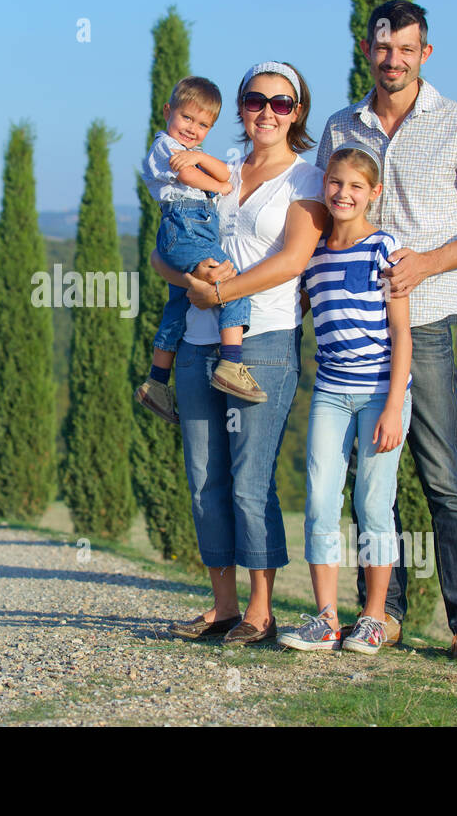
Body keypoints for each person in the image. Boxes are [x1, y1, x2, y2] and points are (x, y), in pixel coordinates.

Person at [314, 0, 457, 661]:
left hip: (421, 325)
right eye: (382, 47)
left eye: (406, 49)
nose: (392, 58)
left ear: (424, 54)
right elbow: (322, 218)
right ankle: (385, 613)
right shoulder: (344, 124)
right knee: (368, 479)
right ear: (365, 50)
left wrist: (428, 261)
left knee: (440, 475)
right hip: (350, 339)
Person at [157, 61, 327, 646]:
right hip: (199, 340)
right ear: (241, 106)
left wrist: (221, 290)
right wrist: (189, 282)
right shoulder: (212, 168)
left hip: (266, 339)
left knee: (250, 479)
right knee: (205, 477)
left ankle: (262, 609)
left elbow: (291, 262)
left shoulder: (307, 180)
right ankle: (222, 606)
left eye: (281, 103)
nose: (267, 111)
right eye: (256, 100)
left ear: (296, 112)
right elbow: (165, 249)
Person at [277, 141, 412, 655]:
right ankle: (327, 619)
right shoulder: (309, 255)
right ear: (324, 185)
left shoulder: (385, 248)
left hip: (381, 393)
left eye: (356, 186)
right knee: (318, 501)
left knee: (373, 505)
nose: (343, 193)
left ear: (373, 193)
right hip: (330, 392)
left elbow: (402, 334)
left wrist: (396, 405)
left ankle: (374, 618)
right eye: (335, 182)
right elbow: (294, 306)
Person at [134, 76, 264, 427]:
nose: (193, 129)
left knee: (179, 305)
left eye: (203, 124)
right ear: (168, 112)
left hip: (191, 228)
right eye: (187, 118)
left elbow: (223, 172)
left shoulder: (191, 151)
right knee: (231, 281)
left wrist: (208, 163)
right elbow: (192, 178)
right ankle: (231, 363)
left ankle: (157, 382)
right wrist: (218, 185)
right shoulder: (164, 146)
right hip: (185, 227)